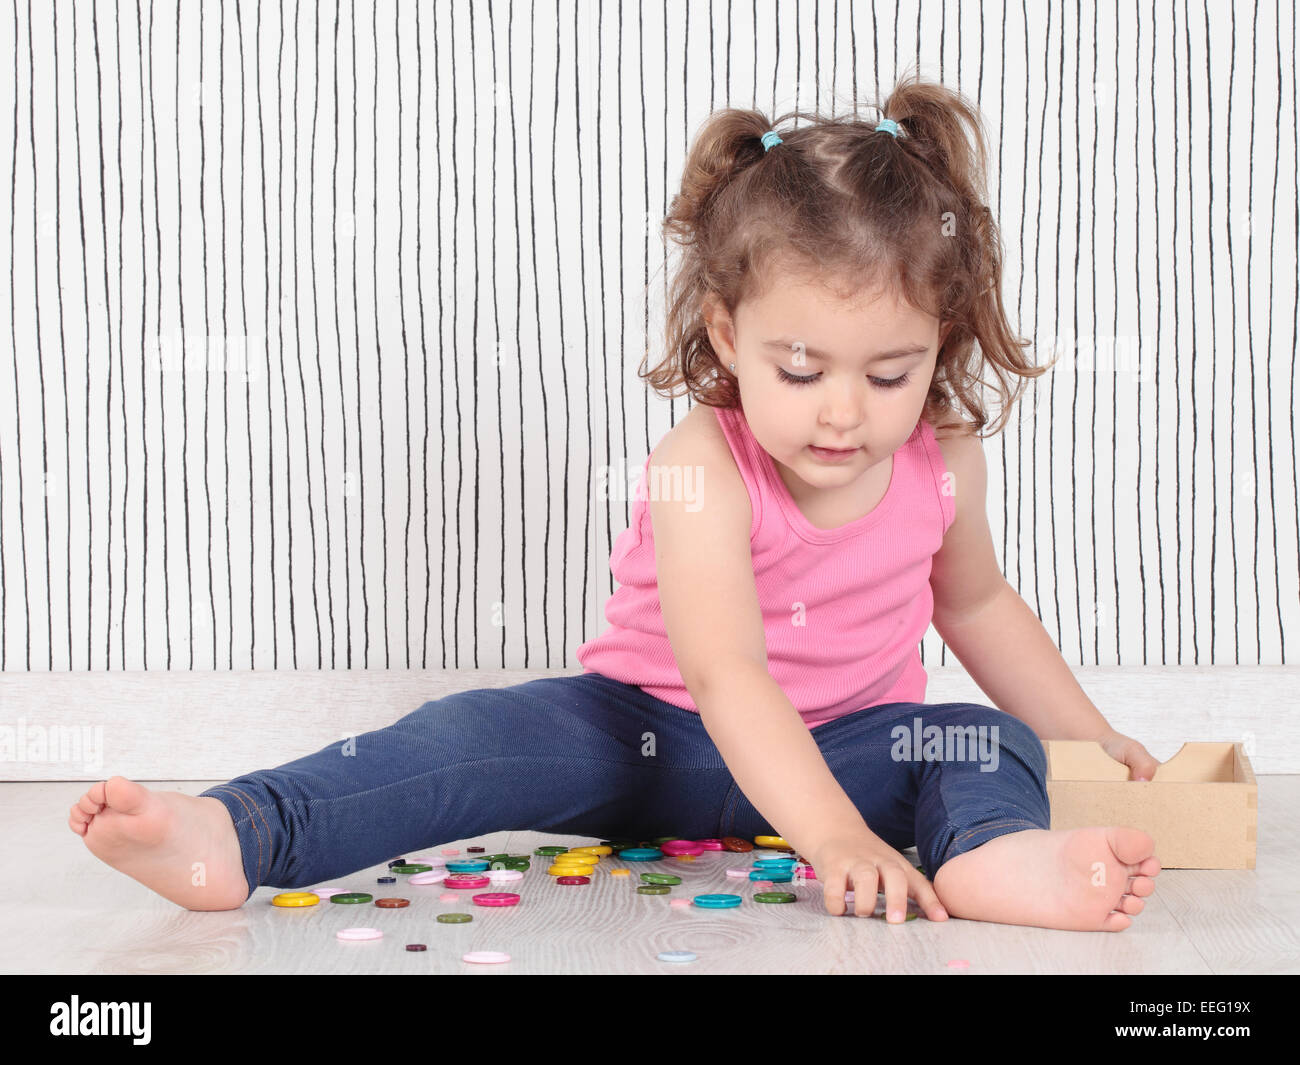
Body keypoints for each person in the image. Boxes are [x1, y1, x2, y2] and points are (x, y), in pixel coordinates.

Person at [69, 70, 1160, 930]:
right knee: (462, 739)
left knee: (977, 742)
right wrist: (830, 839)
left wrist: (1088, 736)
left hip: (850, 745)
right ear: (729, 336)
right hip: (650, 739)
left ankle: (991, 861)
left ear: (939, 347)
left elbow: (975, 608)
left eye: (887, 374)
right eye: (800, 369)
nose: (844, 414)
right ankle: (236, 831)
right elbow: (724, 671)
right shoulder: (701, 462)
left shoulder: (944, 463)